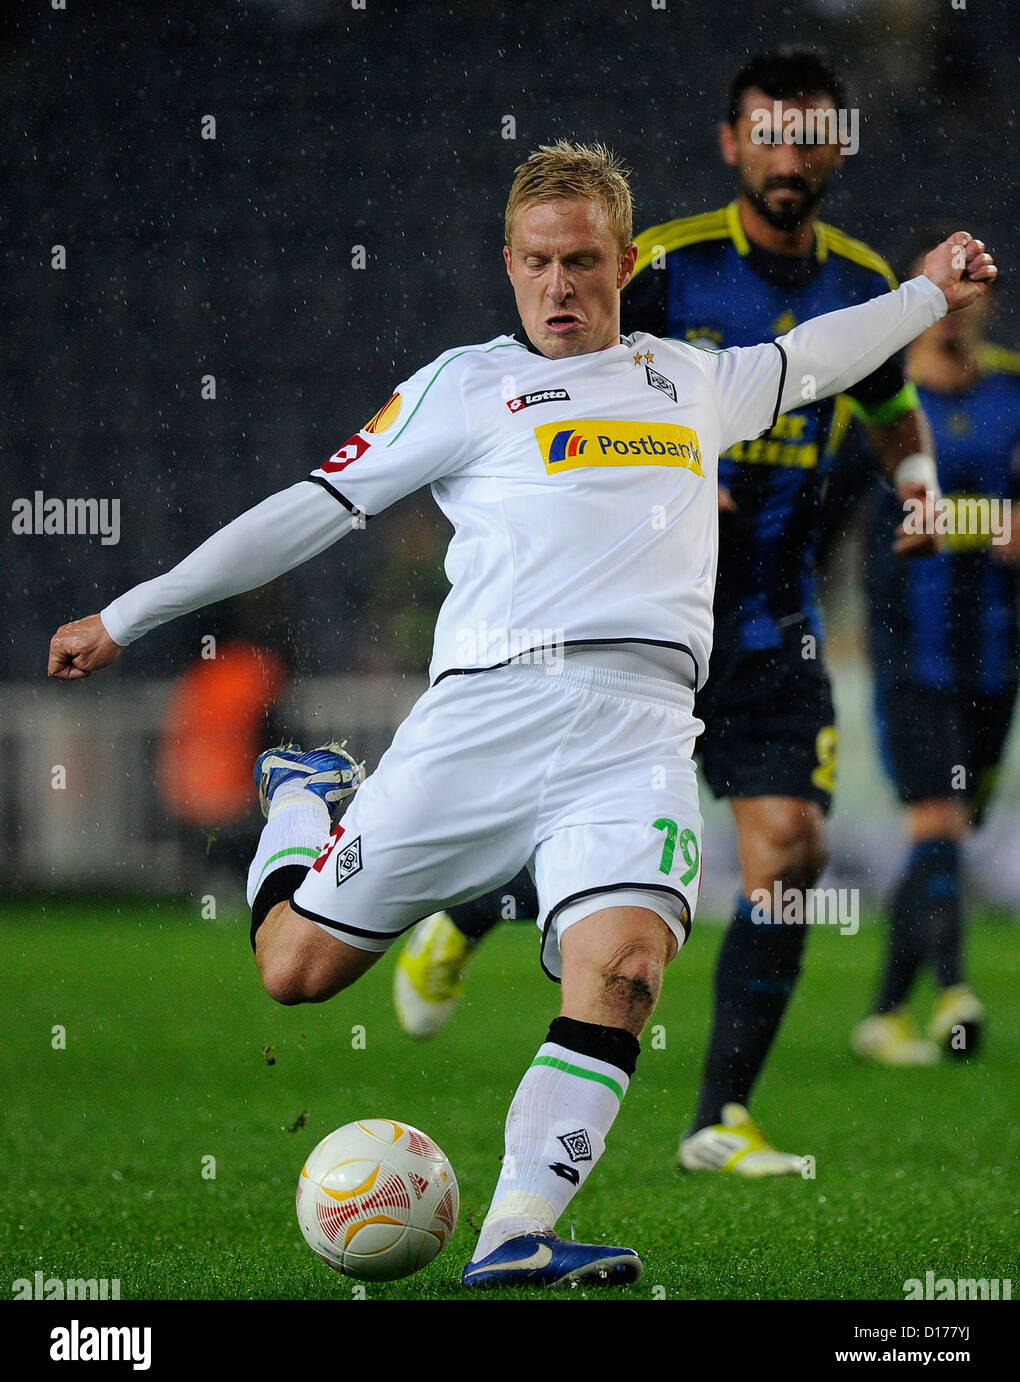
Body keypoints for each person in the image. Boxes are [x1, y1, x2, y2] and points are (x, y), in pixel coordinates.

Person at [47, 140, 992, 1287]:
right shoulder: (462, 386)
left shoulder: (689, 381)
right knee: (292, 971)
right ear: (508, 263)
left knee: (627, 972)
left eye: (583, 262)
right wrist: (129, 611)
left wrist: (930, 291)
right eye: (538, 263)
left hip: (639, 730)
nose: (560, 286)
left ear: (625, 259)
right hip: (486, 716)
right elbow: (305, 509)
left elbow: (818, 355)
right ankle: (306, 800)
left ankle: (515, 1232)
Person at [393, 49, 939, 1178]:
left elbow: (887, 402)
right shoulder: (670, 272)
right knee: (575, 821)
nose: (789, 156)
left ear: (836, 146)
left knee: (787, 849)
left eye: (810, 134)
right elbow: (569, 366)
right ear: (732, 144)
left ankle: (719, 1118)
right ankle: (473, 905)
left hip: (770, 622)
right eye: (767, 134)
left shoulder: (859, 281)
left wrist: (925, 488)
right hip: (627, 608)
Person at [849, 231, 1020, 1066]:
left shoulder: (1015, 392)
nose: (965, 299)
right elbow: (884, 528)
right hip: (911, 652)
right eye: (949, 283)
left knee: (947, 834)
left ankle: (883, 1013)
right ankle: (954, 992)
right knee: (941, 820)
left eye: (976, 283)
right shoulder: (882, 397)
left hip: (997, 655)